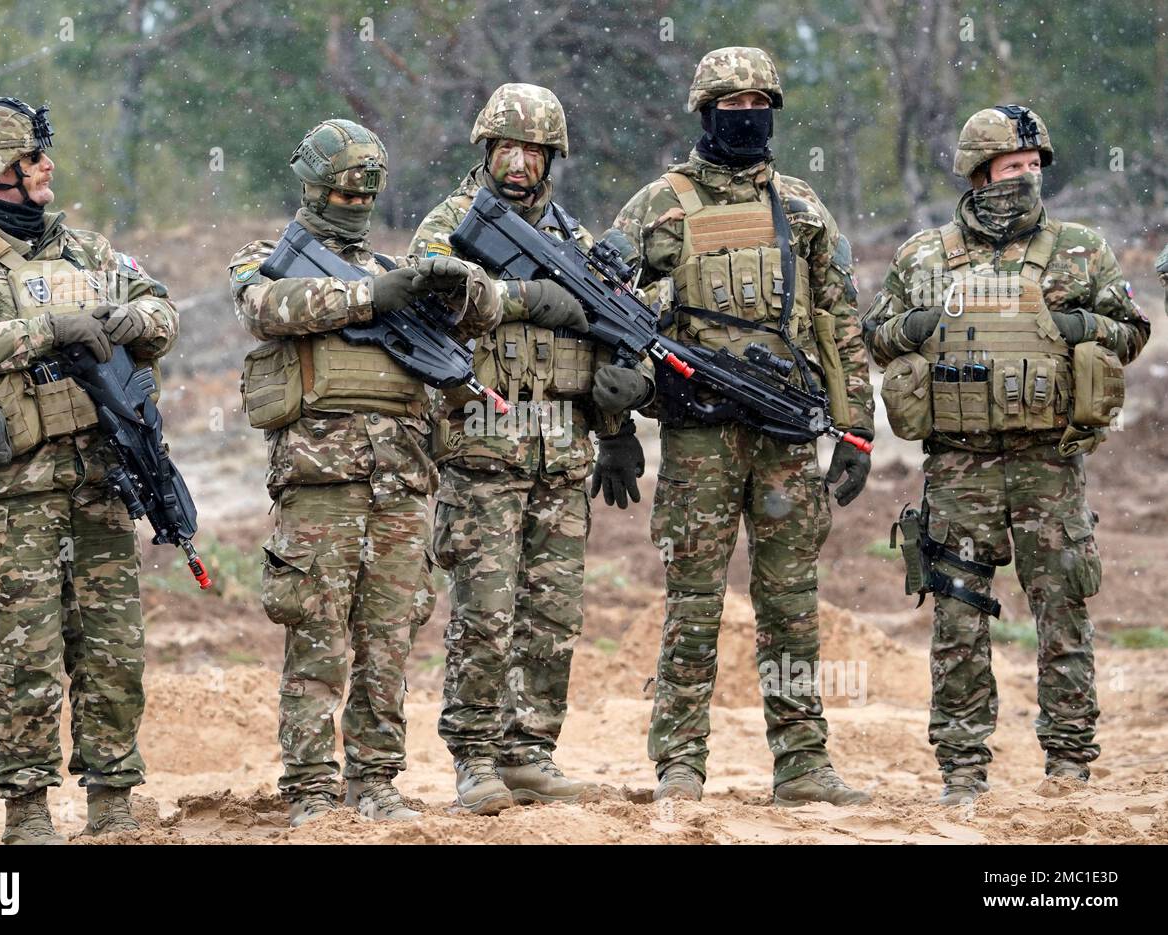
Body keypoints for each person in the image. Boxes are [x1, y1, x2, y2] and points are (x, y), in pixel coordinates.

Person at [0, 97, 179, 843]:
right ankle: (26, 812)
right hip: (4, 492)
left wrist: (128, 323)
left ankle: (113, 798)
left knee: (113, 644)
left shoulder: (84, 249)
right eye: (31, 157)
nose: (46, 166)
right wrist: (46, 330)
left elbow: (161, 309)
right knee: (30, 651)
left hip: (95, 477)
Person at [861, 105, 1149, 804]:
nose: (1024, 179)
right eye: (1011, 168)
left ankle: (1069, 763)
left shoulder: (1079, 249)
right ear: (979, 173)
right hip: (959, 468)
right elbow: (875, 336)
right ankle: (962, 769)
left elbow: (1131, 330)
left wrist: (1081, 324)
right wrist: (915, 325)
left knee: (1063, 608)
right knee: (957, 618)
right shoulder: (925, 256)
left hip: (1050, 463)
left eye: (1032, 168)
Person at [611, 48, 875, 806]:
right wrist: (616, 422)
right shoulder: (657, 206)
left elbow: (839, 322)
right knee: (692, 601)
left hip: (787, 434)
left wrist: (855, 427)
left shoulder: (800, 207)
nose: (747, 113)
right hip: (698, 436)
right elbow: (602, 311)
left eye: (760, 100)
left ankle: (802, 763)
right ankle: (680, 763)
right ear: (704, 112)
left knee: (791, 602)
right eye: (731, 102)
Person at [229, 119, 501, 824]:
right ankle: (312, 788)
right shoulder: (268, 258)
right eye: (339, 195)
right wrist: (370, 298)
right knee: (316, 637)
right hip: (321, 487)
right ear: (312, 188)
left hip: (403, 485)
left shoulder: (392, 271)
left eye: (363, 197)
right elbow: (267, 308)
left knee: (387, 642)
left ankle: (376, 779)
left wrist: (458, 285)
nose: (352, 207)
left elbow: (483, 317)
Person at [408, 83, 652, 814]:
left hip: (561, 453)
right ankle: (475, 758)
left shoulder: (574, 241)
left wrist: (617, 416)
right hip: (482, 451)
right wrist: (518, 300)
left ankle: (530, 752)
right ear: (486, 150)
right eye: (506, 150)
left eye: (533, 152)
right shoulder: (452, 222)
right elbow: (425, 295)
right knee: (486, 612)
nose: (518, 164)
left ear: (553, 159)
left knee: (553, 613)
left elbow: (606, 339)